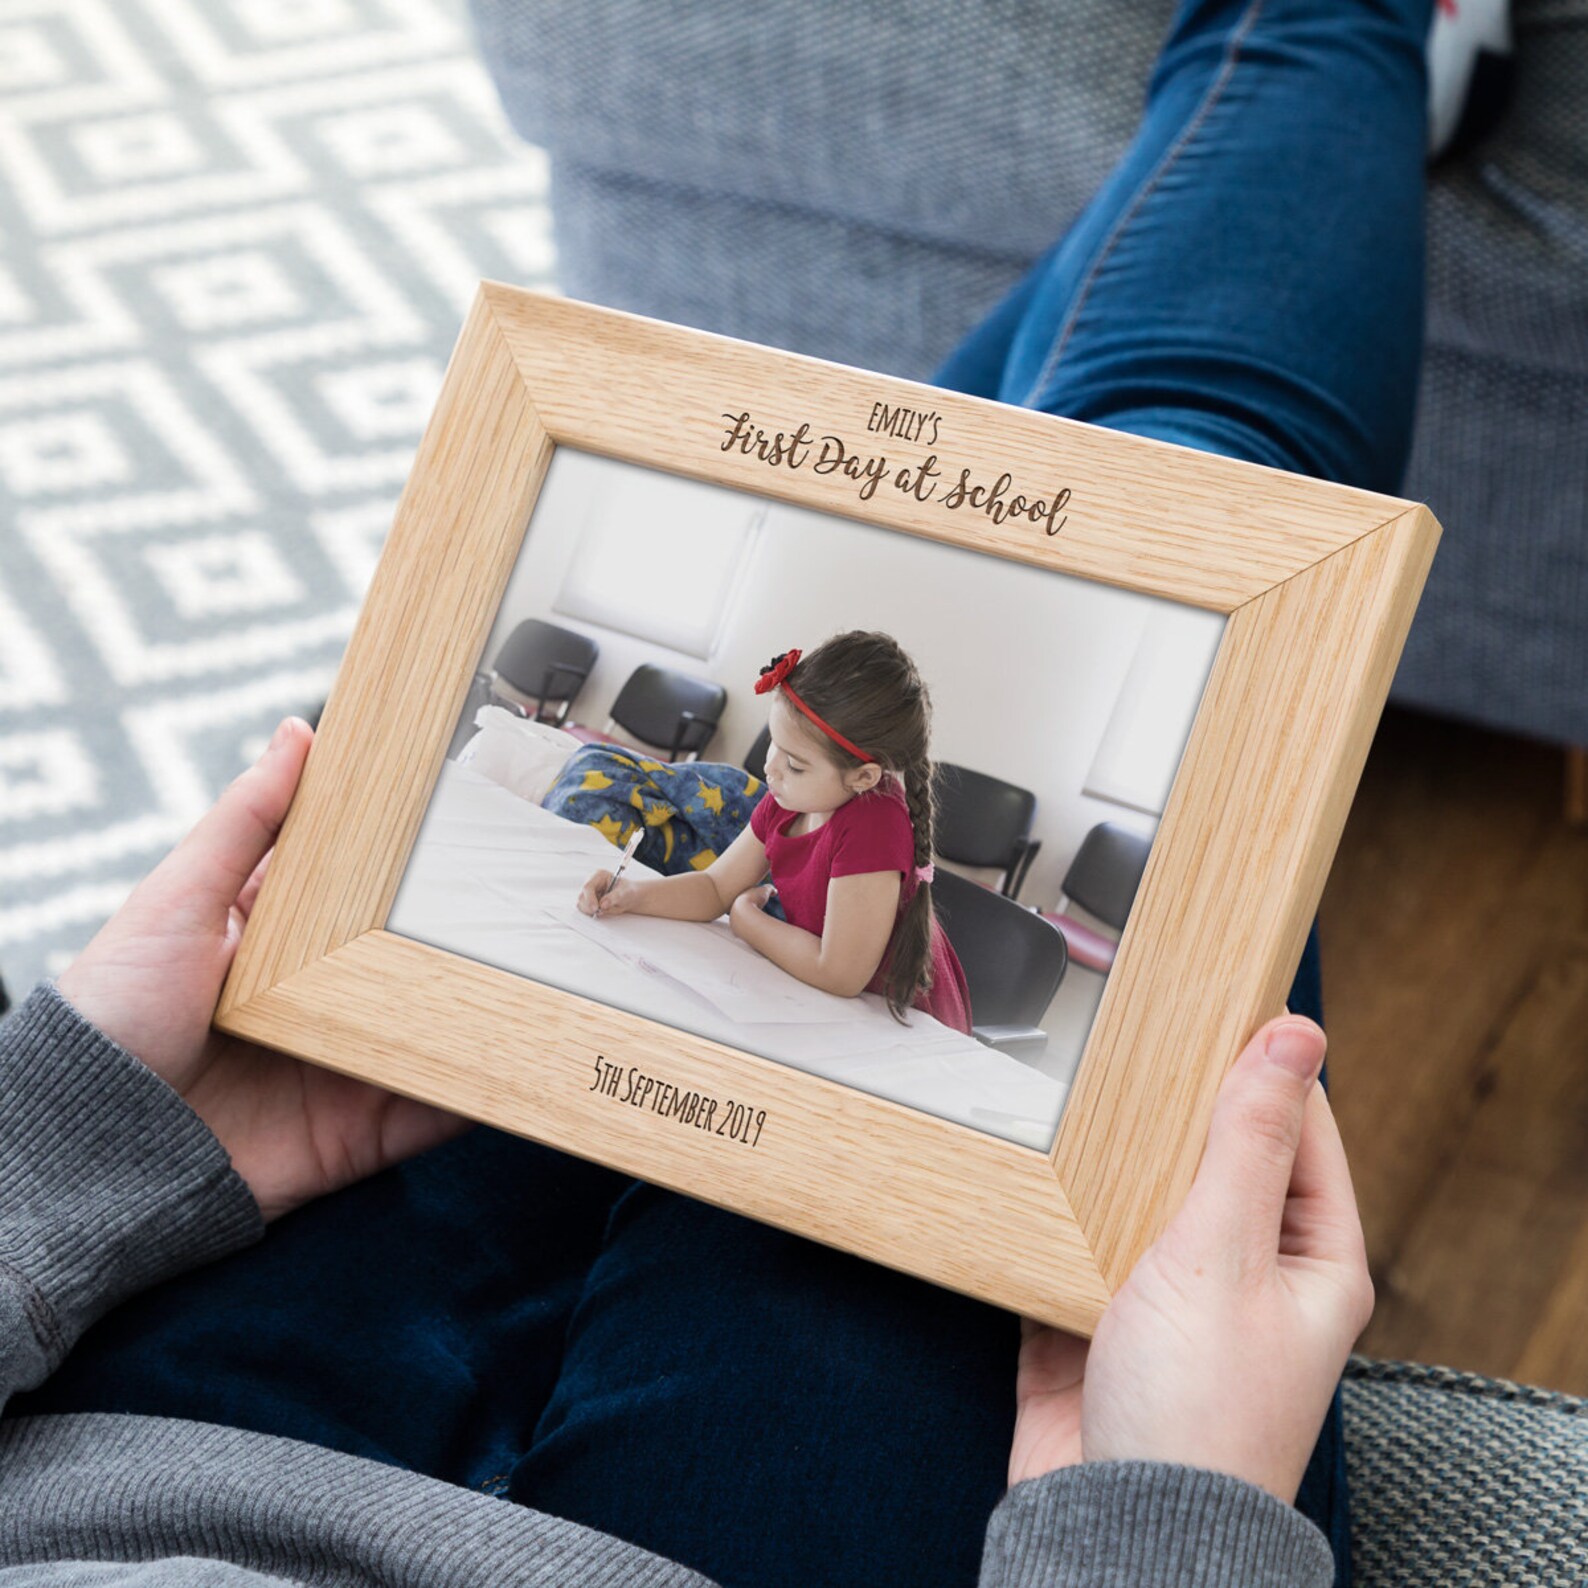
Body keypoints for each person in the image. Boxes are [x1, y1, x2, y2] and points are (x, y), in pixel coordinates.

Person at [0, 0, 1433, 1579]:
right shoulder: (799, 806)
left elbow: (818, 959)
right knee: (1181, 458)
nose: (779, 782)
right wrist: (642, 898)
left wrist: (53, 1154)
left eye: (800, 760)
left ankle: (1308, 48)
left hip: (153, 1457)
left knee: (1159, 473)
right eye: (781, 759)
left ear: (866, 771)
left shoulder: (872, 834)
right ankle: (1323, 49)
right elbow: (728, 891)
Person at [576, 632, 974, 1036]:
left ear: (863, 777)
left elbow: (839, 974)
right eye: (773, 744)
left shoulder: (874, 822)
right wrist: (634, 894)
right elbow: (716, 887)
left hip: (903, 1026)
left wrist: (746, 918)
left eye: (796, 764)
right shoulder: (790, 797)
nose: (771, 770)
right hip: (830, 1004)